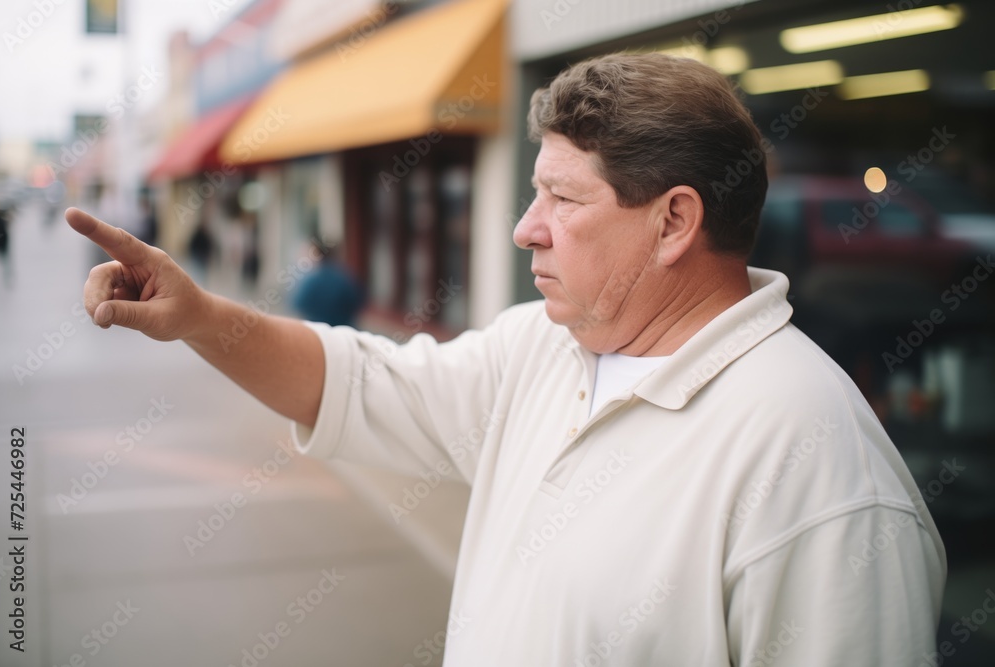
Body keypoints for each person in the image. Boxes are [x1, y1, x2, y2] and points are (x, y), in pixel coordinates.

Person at [65, 53, 945, 665]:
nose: (527, 226)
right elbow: (359, 383)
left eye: (563, 196)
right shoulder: (543, 345)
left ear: (674, 221)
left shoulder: (821, 476)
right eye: (534, 190)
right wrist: (200, 317)